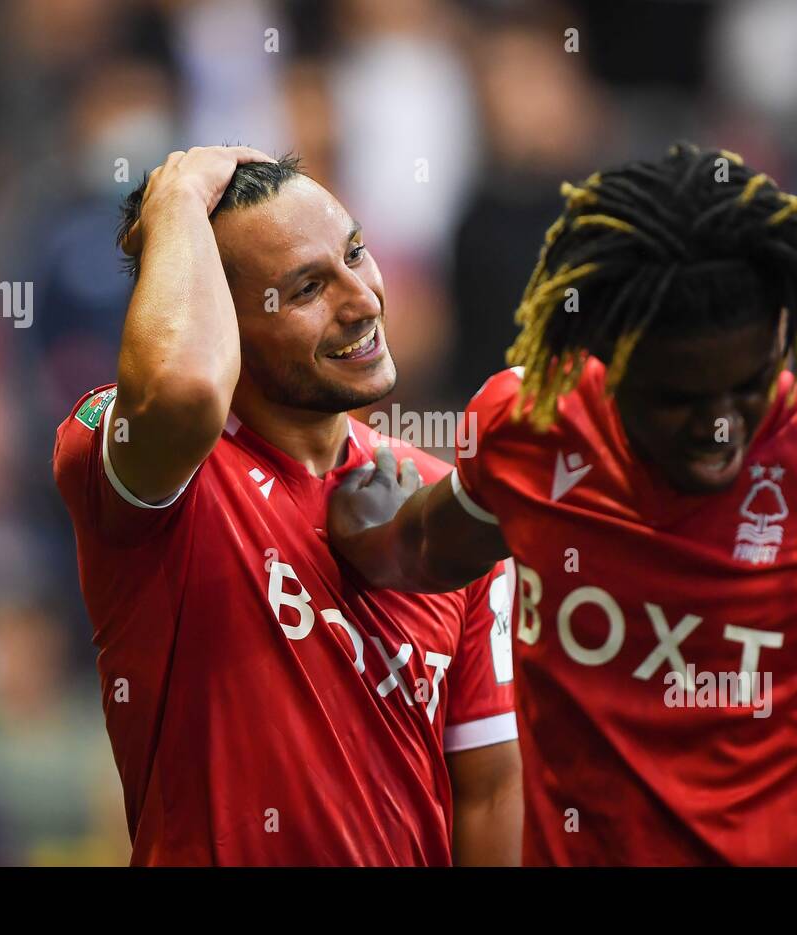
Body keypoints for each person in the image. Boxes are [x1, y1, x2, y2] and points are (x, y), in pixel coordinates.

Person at [328, 143, 797, 865]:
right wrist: (372, 525)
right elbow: (422, 549)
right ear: (605, 351)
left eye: (749, 386)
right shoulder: (534, 427)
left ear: (786, 335)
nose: (719, 426)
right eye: (676, 399)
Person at [53, 146, 521, 865]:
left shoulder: (448, 509)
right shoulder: (140, 469)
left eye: (356, 253)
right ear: (221, 323)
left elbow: (491, 792)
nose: (363, 300)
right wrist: (174, 196)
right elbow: (181, 393)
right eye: (306, 290)